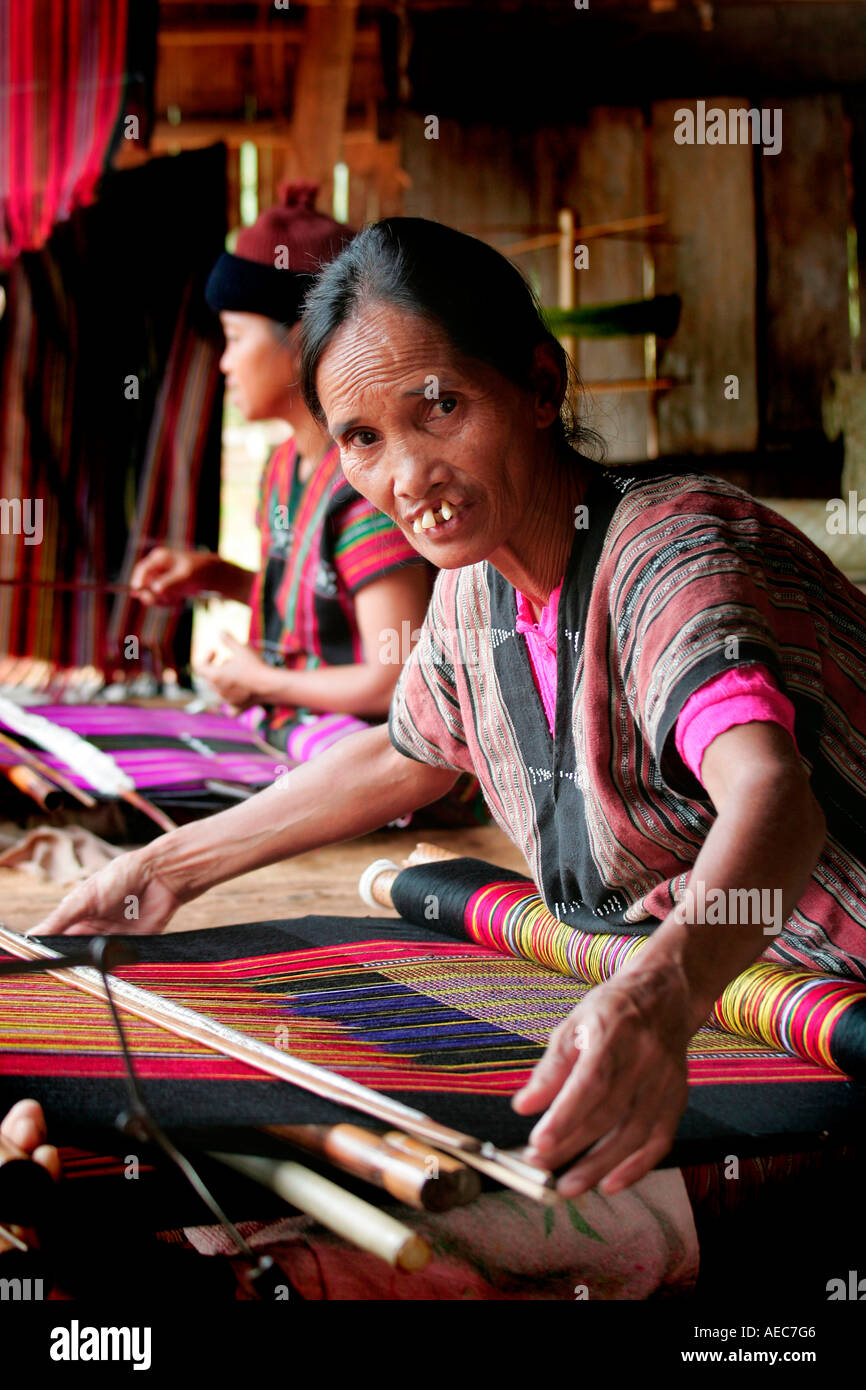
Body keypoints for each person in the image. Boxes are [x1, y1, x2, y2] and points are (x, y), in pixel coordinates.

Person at [39, 218, 866, 1201]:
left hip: (823, 1015)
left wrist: (657, 1001)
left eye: (439, 409)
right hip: (746, 1000)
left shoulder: (671, 555)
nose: (406, 476)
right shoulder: (477, 591)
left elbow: (771, 796)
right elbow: (406, 757)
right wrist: (159, 870)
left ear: (538, 387)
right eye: (362, 438)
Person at [131, 184, 431, 762]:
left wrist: (263, 682)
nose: (223, 363)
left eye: (235, 339)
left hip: (362, 745)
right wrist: (219, 578)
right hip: (296, 723)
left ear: (299, 343)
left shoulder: (364, 488)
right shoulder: (283, 469)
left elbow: (394, 680)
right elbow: (322, 612)